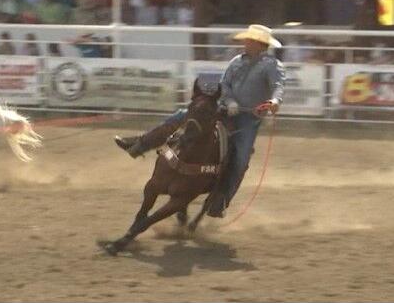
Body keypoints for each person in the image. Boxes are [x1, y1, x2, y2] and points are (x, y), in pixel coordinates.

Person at [114, 24, 286, 218]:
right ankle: (140, 144)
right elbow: (225, 85)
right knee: (182, 115)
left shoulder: (272, 65)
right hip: (223, 108)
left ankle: (220, 200)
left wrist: (274, 101)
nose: (244, 42)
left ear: (258, 43)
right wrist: (229, 101)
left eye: (248, 39)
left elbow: (278, 86)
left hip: (247, 118)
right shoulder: (237, 61)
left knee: (241, 157)